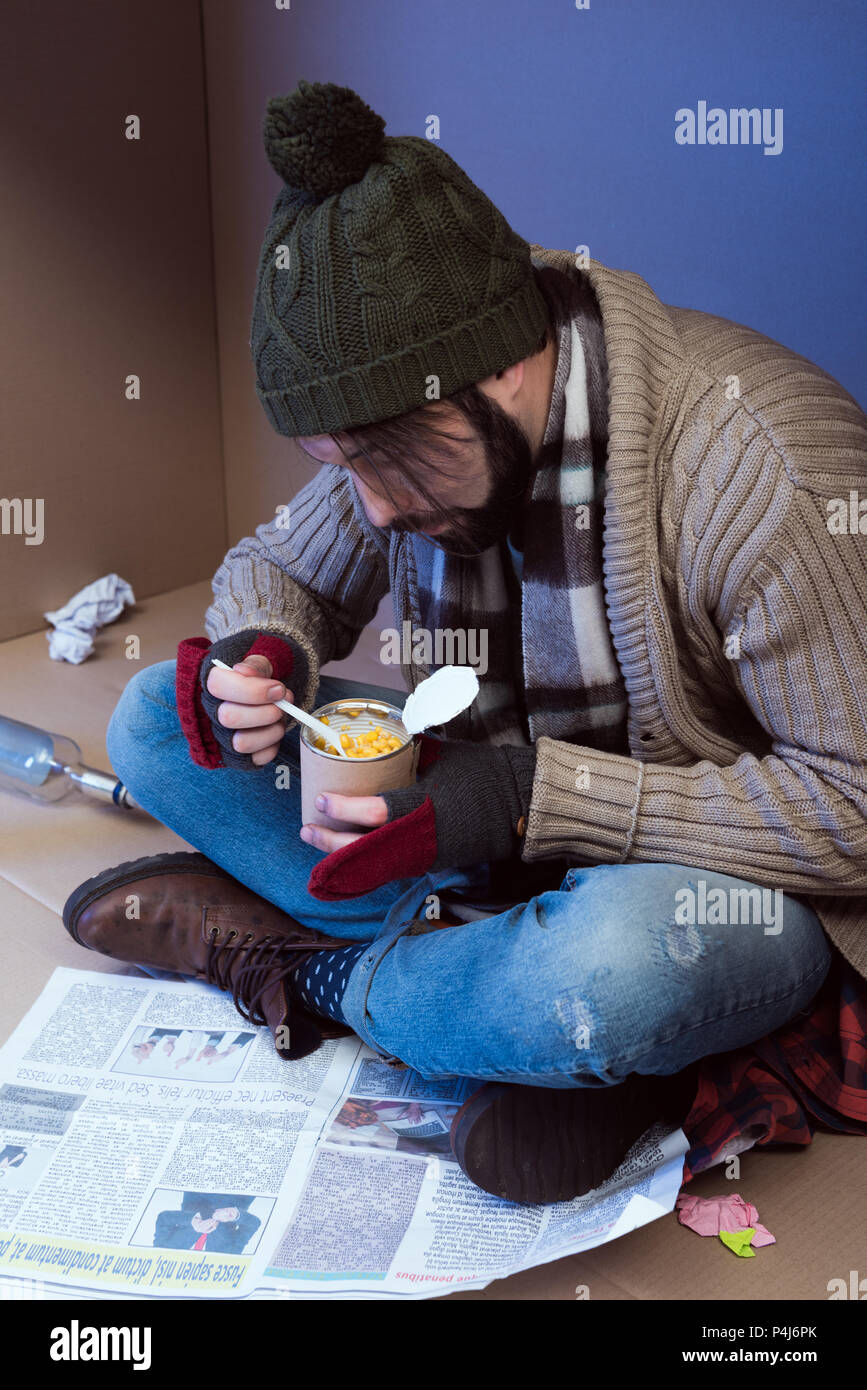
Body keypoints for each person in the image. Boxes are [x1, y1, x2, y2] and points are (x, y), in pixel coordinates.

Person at [62, 80, 867, 1205]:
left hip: (718, 885)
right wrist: (265, 650)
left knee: (614, 972)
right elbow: (282, 567)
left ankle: (335, 972)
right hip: (483, 844)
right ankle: (518, 1033)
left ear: (501, 366)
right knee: (155, 716)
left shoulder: (761, 465)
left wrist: (536, 798)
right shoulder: (409, 431)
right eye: (340, 466)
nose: (375, 509)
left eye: (385, 458)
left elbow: (855, 813)